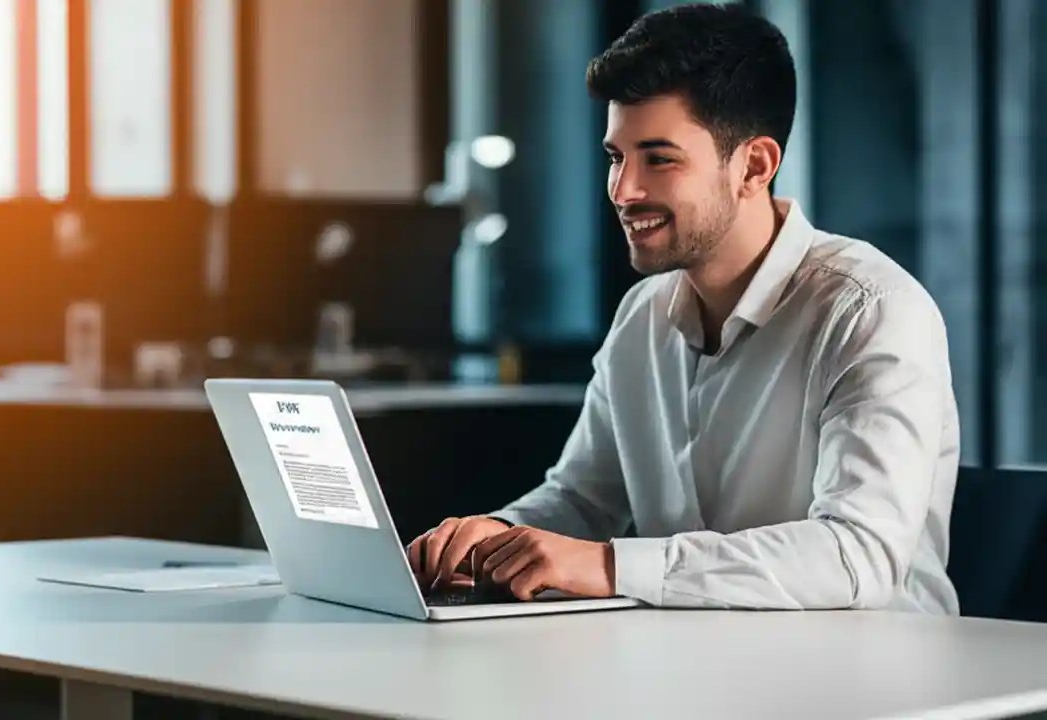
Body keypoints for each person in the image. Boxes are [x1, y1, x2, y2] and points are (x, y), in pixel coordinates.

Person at [407, 2, 959, 613]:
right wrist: (494, 540)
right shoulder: (642, 316)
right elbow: (584, 501)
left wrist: (612, 564)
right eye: (616, 157)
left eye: (659, 158)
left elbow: (860, 558)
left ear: (754, 166)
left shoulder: (871, 311)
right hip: (692, 671)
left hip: (870, 690)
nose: (623, 191)